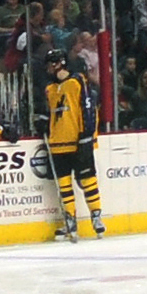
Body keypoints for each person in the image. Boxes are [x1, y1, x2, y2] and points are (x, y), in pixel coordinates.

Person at [41, 50, 106, 242]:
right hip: (58, 144)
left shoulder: (78, 81)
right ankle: (69, 218)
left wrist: (87, 136)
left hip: (78, 141)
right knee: (64, 185)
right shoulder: (50, 89)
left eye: (50, 64)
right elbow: (51, 113)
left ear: (58, 63)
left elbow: (88, 109)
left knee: (88, 180)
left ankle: (96, 215)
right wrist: (43, 122)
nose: (48, 68)